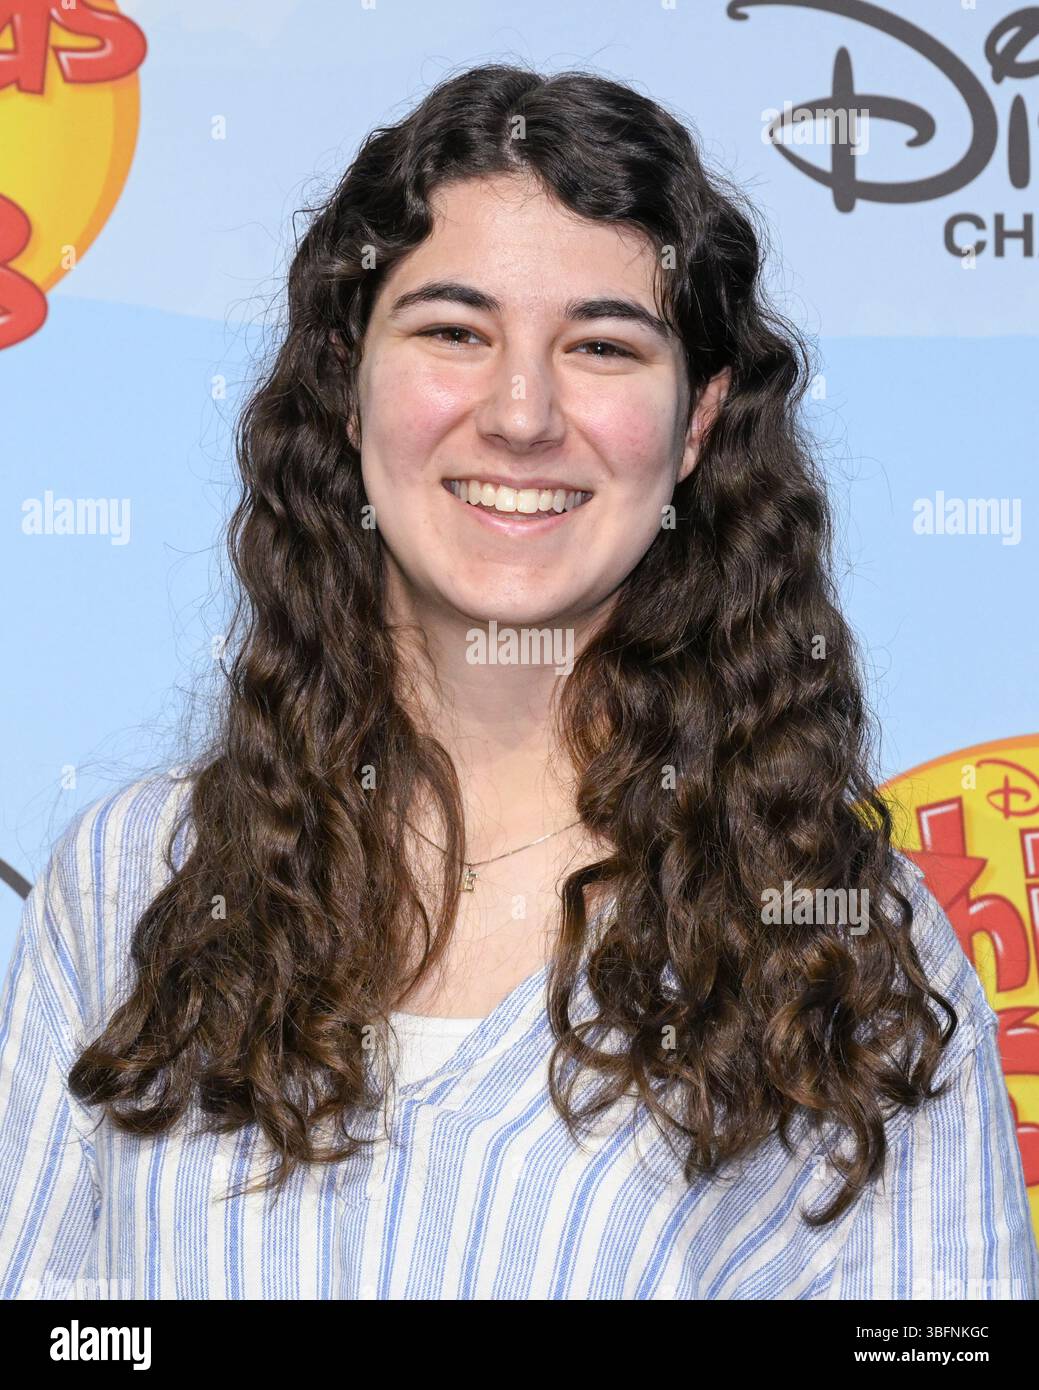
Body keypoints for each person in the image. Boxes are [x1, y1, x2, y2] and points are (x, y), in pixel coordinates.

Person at [1, 63, 1036, 1301]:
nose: (523, 411)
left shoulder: (838, 944)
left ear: (696, 422)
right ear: (347, 379)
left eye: (600, 345)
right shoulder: (136, 879)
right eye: (453, 330)